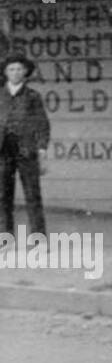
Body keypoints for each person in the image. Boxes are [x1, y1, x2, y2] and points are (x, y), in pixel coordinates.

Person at [0, 53, 50, 237]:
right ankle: (5, 238)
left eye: (19, 69)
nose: (15, 72)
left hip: (26, 151)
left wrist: (42, 149)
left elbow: (42, 124)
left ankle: (38, 238)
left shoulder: (32, 96)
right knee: (2, 197)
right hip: (3, 151)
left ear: (25, 72)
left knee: (32, 195)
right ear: (5, 72)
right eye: (11, 69)